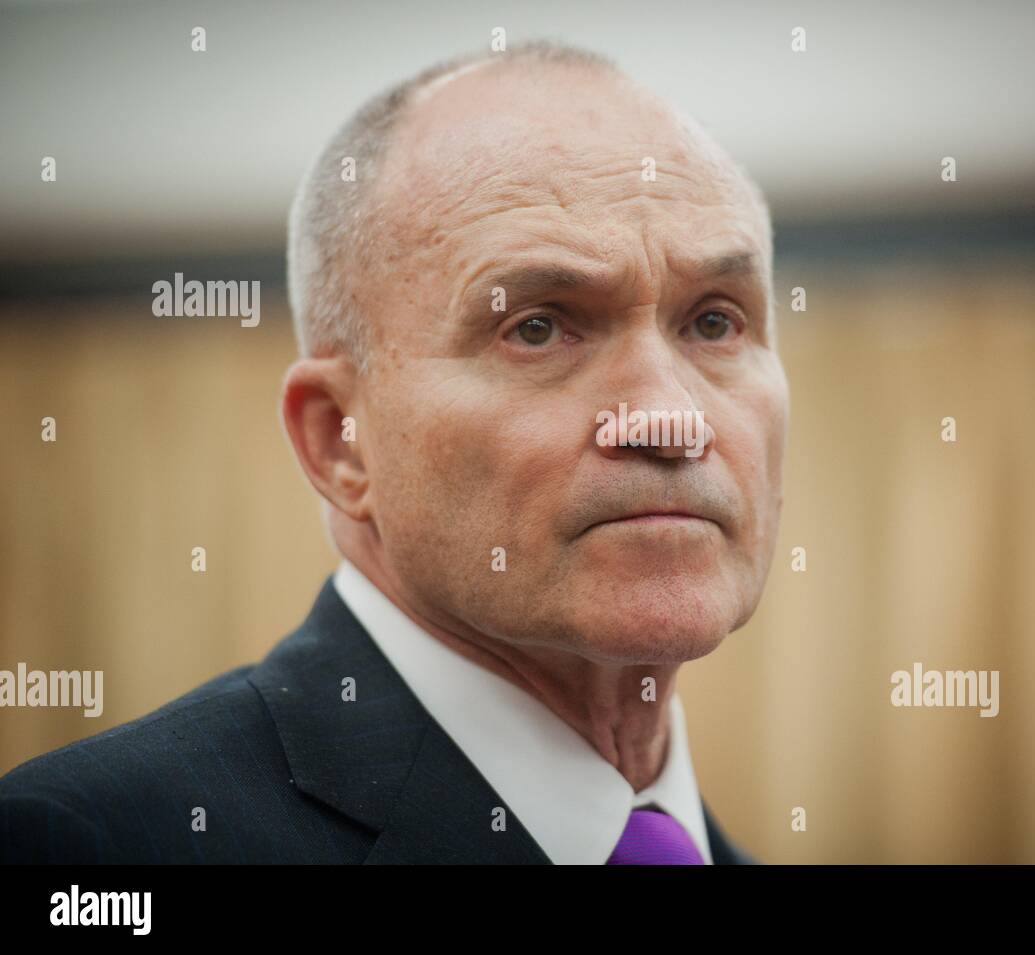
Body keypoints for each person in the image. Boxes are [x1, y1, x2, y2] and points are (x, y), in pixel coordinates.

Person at [0, 39, 789, 864]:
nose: (670, 417)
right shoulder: (91, 846)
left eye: (714, 321)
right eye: (539, 327)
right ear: (340, 438)